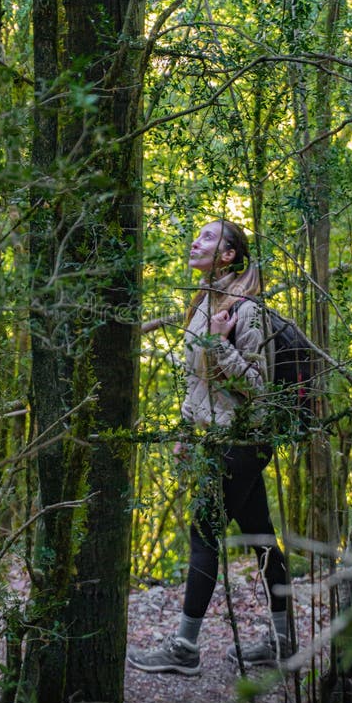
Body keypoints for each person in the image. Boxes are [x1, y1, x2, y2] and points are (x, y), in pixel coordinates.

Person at [127, 219, 288, 676]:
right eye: (195, 234)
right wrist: (185, 430)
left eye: (207, 237)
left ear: (229, 255)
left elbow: (259, 387)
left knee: (203, 535)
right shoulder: (203, 303)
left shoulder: (247, 311)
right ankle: (282, 640)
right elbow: (198, 383)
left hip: (241, 441)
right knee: (259, 536)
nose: (194, 241)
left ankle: (185, 648)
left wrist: (219, 343)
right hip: (214, 437)